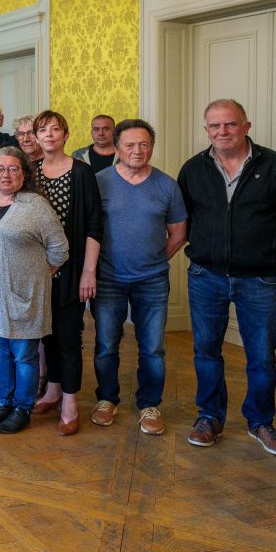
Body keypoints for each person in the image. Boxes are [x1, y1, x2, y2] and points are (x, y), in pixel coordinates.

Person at [178, 99, 276, 456]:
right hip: (206, 275)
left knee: (261, 355)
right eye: (215, 126)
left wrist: (265, 250)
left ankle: (261, 422)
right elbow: (184, 218)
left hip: (259, 279)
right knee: (206, 351)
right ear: (206, 130)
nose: (223, 131)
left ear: (246, 126)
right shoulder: (193, 169)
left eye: (230, 124)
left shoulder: (275, 166)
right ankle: (209, 417)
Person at [91, 119, 187, 435]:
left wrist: (155, 260)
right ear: (117, 148)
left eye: (144, 144)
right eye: (130, 145)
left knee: (153, 347)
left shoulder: (167, 185)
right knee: (106, 344)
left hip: (152, 280)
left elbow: (178, 232)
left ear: (152, 147)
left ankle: (149, 404)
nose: (137, 150)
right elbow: (88, 229)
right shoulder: (99, 182)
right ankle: (107, 399)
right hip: (108, 278)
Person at [0, 147, 69, 434]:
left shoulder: (35, 205)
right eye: (0, 169)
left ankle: (23, 408)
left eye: (13, 169)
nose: (6, 174)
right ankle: (4, 403)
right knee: (0, 351)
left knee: (23, 355)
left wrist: (35, 277)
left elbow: (60, 249)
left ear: (24, 174)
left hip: (22, 295)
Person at [32, 111, 103, 436]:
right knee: (46, 336)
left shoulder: (82, 172)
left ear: (66, 135)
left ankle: (71, 404)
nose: (49, 134)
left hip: (72, 271)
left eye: (55, 129)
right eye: (42, 130)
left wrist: (89, 272)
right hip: (38, 270)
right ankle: (53, 390)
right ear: (36, 137)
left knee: (69, 338)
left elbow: (94, 225)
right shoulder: (31, 172)